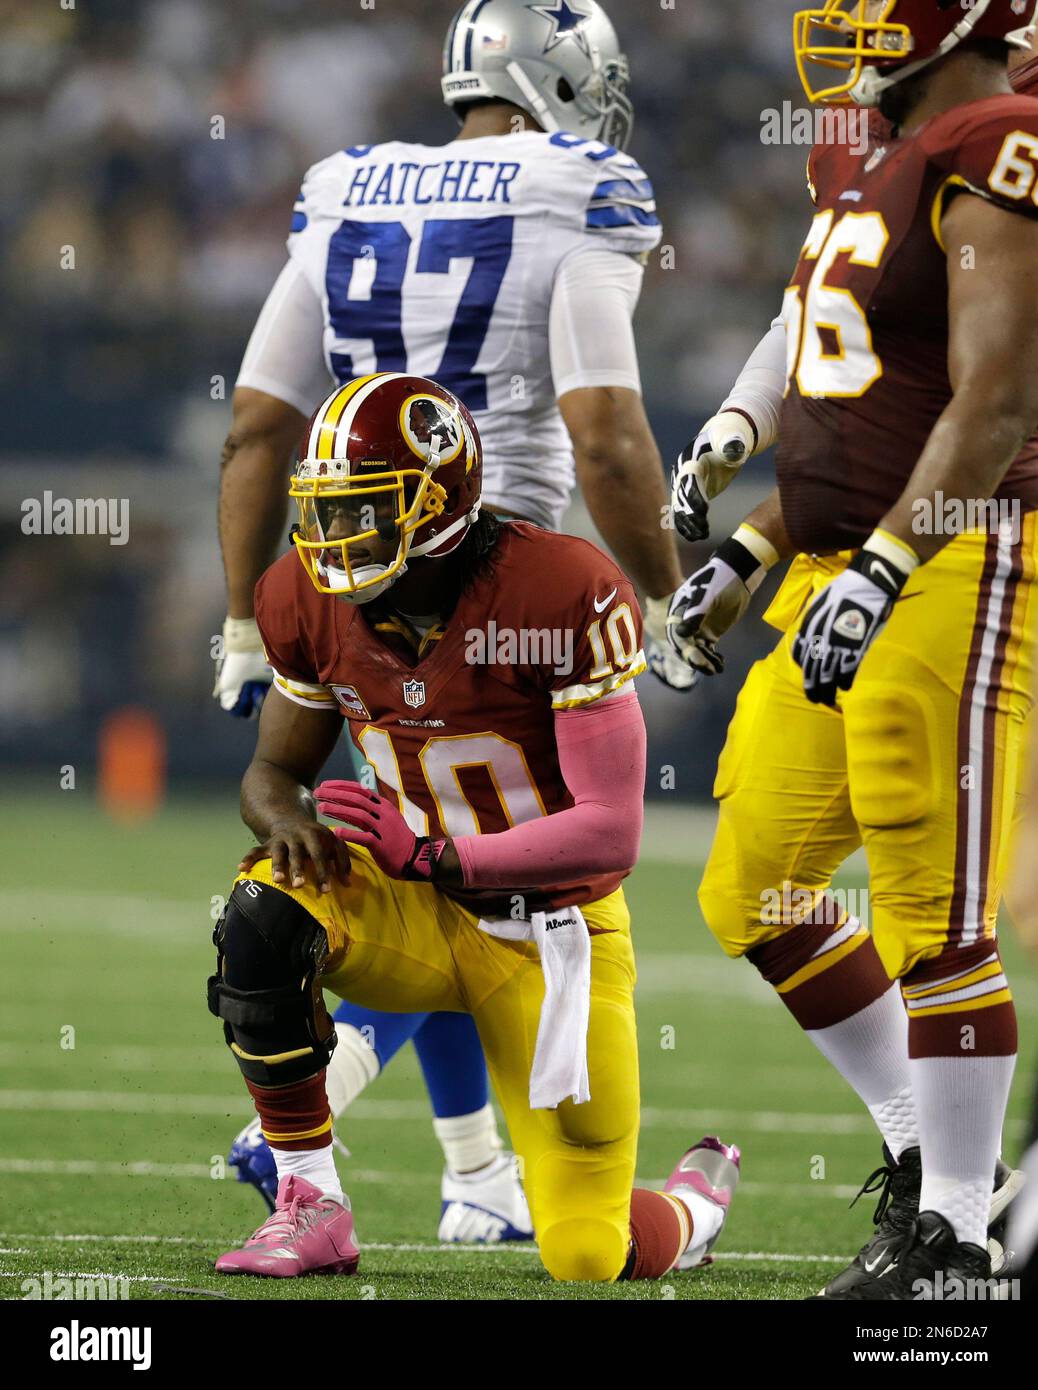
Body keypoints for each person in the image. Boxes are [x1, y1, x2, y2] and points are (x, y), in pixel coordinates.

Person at [212, 0, 693, 1239]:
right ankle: (470, 1170)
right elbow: (601, 423)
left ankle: (481, 1162)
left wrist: (239, 619)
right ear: (565, 75)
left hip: (366, 557)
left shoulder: (352, 180)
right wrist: (667, 587)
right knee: (428, 841)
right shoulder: (579, 181)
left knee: (435, 832)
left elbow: (259, 423)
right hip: (494, 551)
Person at [208, 372, 739, 1283]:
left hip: (548, 932)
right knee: (260, 913)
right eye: (326, 511)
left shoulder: (562, 587)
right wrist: (286, 821)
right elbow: (272, 772)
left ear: (438, 504)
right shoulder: (304, 596)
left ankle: (692, 1205)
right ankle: (310, 1202)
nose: (334, 538)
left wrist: (432, 851)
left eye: (363, 509)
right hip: (408, 909)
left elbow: (610, 834)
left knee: (584, 1254)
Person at [667, 0, 1038, 1299]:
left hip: (960, 551)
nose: (857, 24)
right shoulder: (877, 146)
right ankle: (926, 1161)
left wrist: (886, 561)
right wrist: (761, 543)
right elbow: (862, 402)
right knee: (754, 884)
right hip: (849, 559)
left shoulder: (1001, 140)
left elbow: (992, 403)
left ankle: (954, 1238)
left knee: (933, 911)